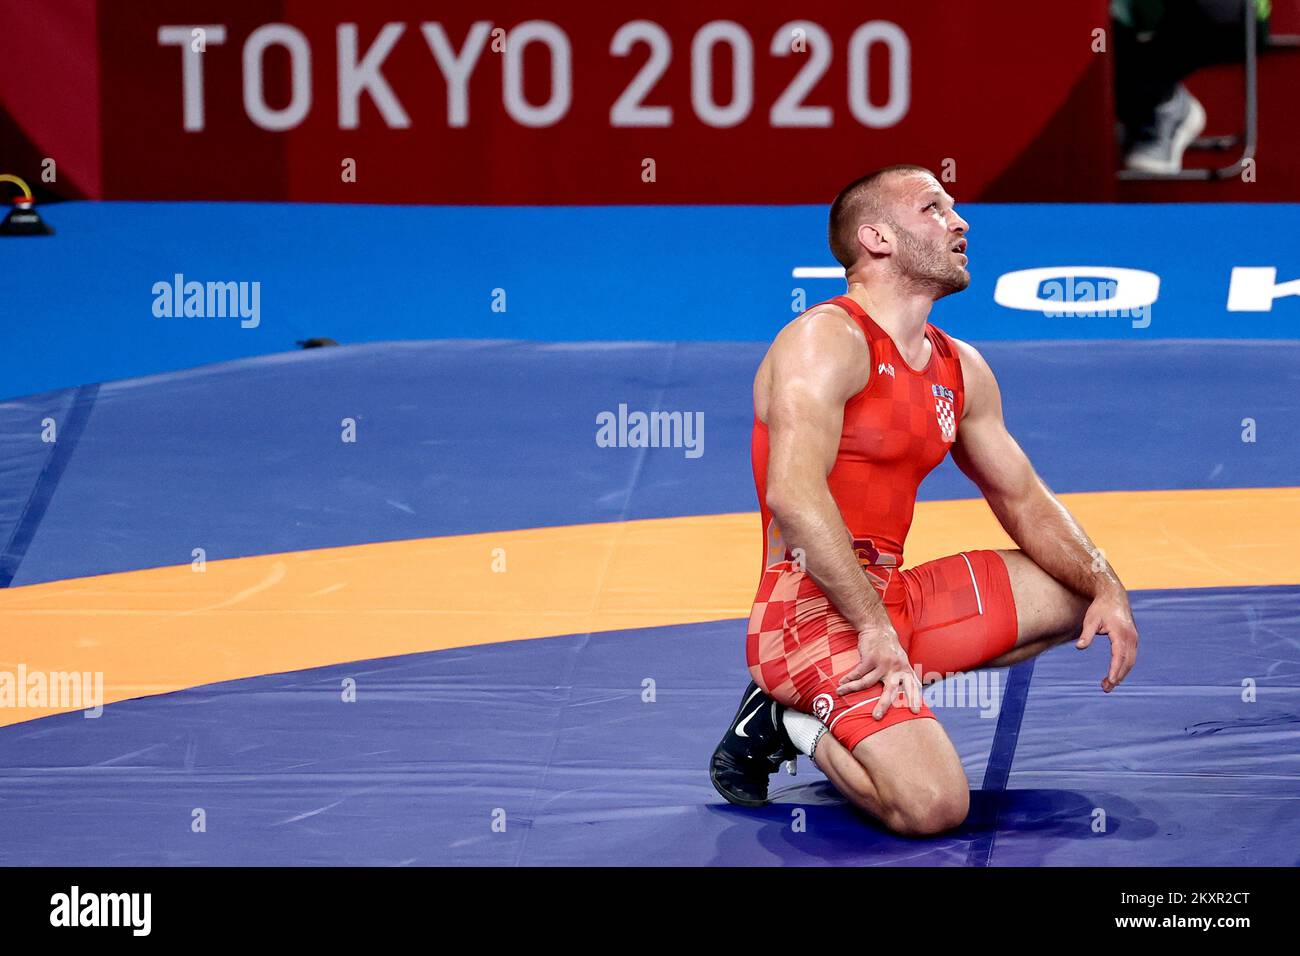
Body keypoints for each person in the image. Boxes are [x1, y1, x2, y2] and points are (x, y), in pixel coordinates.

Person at [709, 165, 1140, 836]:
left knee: (1081, 596)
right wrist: (874, 628)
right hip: (809, 614)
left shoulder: (959, 365)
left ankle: (847, 697)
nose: (960, 222)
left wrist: (1107, 583)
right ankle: (792, 722)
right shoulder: (825, 340)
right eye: (933, 208)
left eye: (955, 208)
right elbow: (794, 496)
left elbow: (1021, 495)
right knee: (934, 806)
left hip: (890, 600)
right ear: (875, 238)